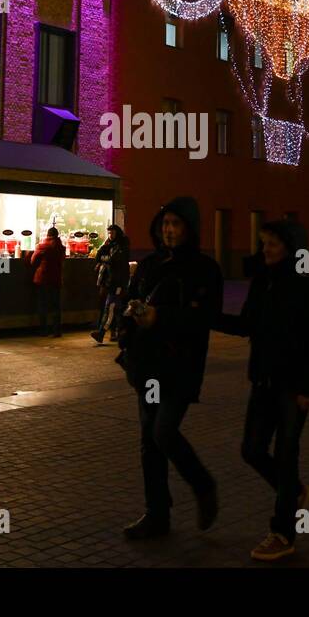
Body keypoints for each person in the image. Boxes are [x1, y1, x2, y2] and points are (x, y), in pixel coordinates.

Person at [217, 219, 309, 561]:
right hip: (263, 381)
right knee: (251, 450)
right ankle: (293, 491)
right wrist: (206, 317)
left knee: (286, 454)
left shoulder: (308, 287)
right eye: (263, 243)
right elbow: (245, 325)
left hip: (292, 387)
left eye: (272, 244)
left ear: (290, 249)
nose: (265, 249)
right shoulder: (262, 283)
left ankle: (283, 533)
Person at [117, 197, 223, 539]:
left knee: (164, 431)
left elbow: (204, 317)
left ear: (189, 228)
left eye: (176, 224)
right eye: (165, 224)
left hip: (179, 366)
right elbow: (131, 299)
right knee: (149, 440)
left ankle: (202, 484)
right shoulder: (149, 265)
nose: (169, 230)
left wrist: (160, 317)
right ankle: (157, 513)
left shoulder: (204, 269)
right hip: (146, 365)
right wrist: (127, 326)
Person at [91, 224, 129, 345]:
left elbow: (113, 260)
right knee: (116, 309)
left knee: (110, 308)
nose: (110, 235)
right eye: (108, 233)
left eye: (112, 233)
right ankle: (120, 333)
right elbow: (99, 255)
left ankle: (102, 333)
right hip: (111, 282)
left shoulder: (121, 246)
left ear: (117, 233)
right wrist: (104, 256)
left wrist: (103, 259)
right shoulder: (109, 245)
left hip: (117, 282)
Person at [29, 227, 65, 337]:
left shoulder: (42, 246)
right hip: (56, 278)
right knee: (56, 305)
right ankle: (56, 330)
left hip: (43, 278)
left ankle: (43, 330)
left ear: (48, 235)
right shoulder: (61, 247)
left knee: (42, 304)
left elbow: (33, 261)